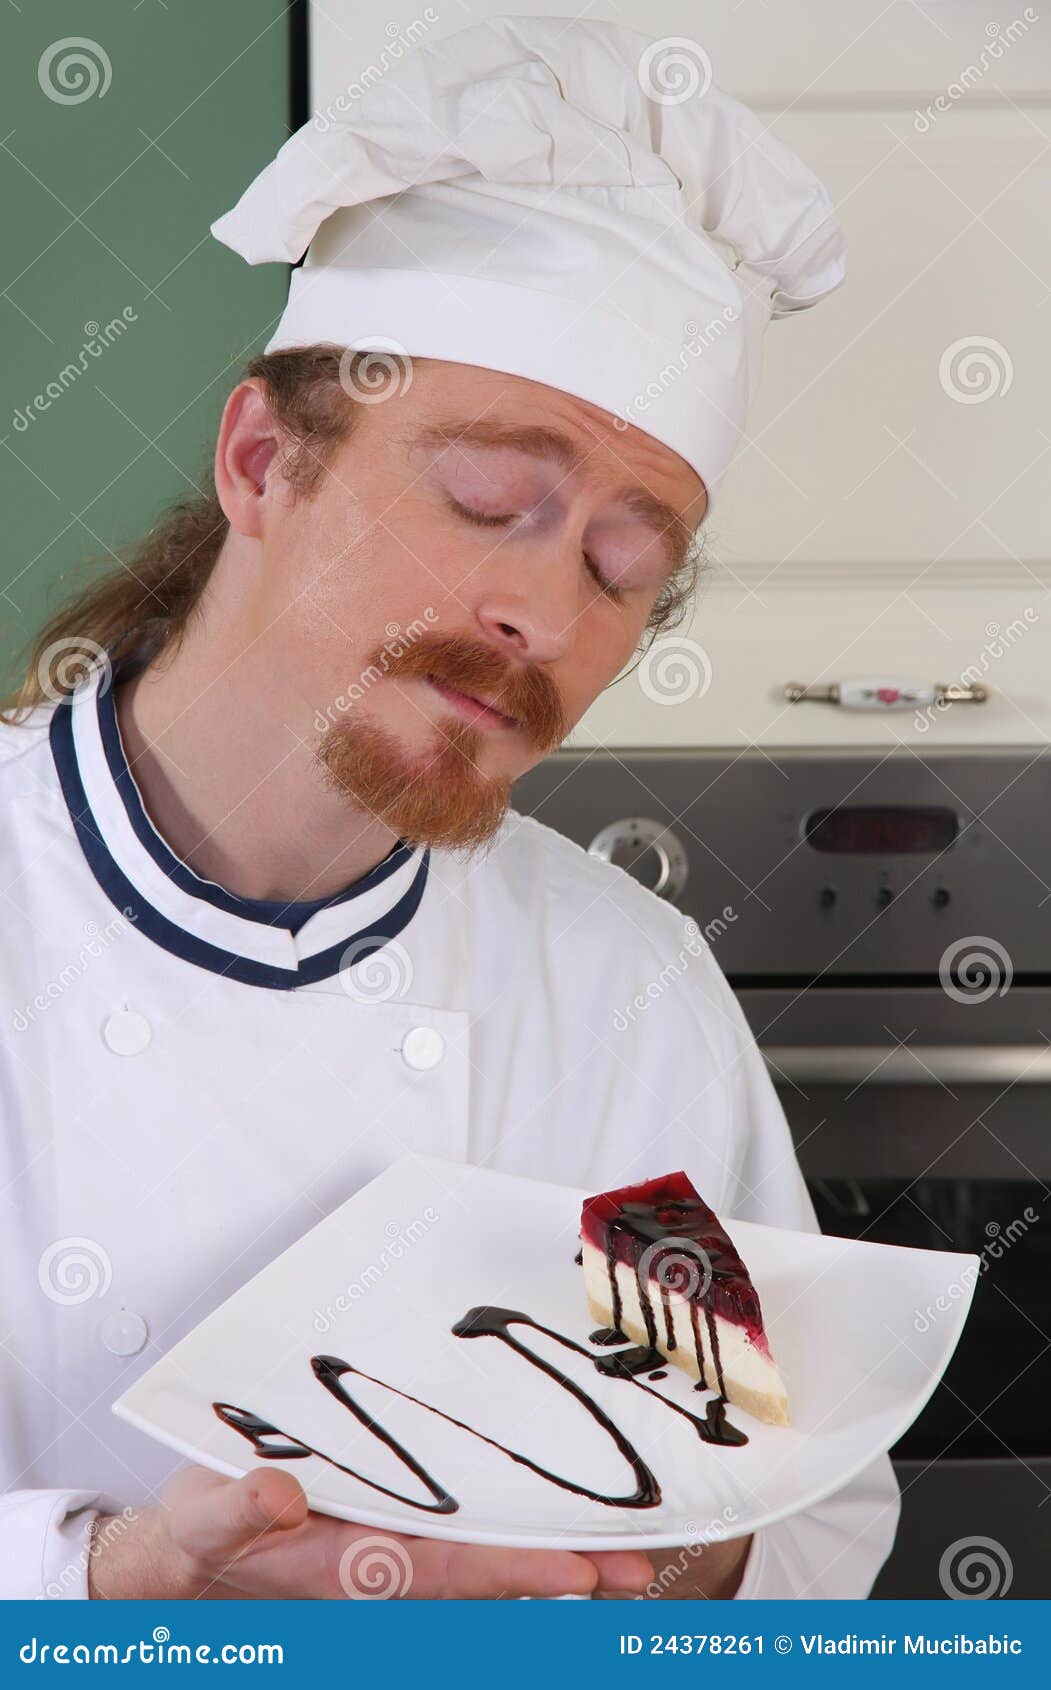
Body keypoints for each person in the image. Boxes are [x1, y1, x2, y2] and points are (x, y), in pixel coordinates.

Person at [0, 15, 899, 1599]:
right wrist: (111, 1580)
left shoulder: (615, 993)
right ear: (265, 460)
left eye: (627, 567)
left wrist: (668, 1548)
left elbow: (802, 1501)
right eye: (492, 501)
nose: (548, 617)